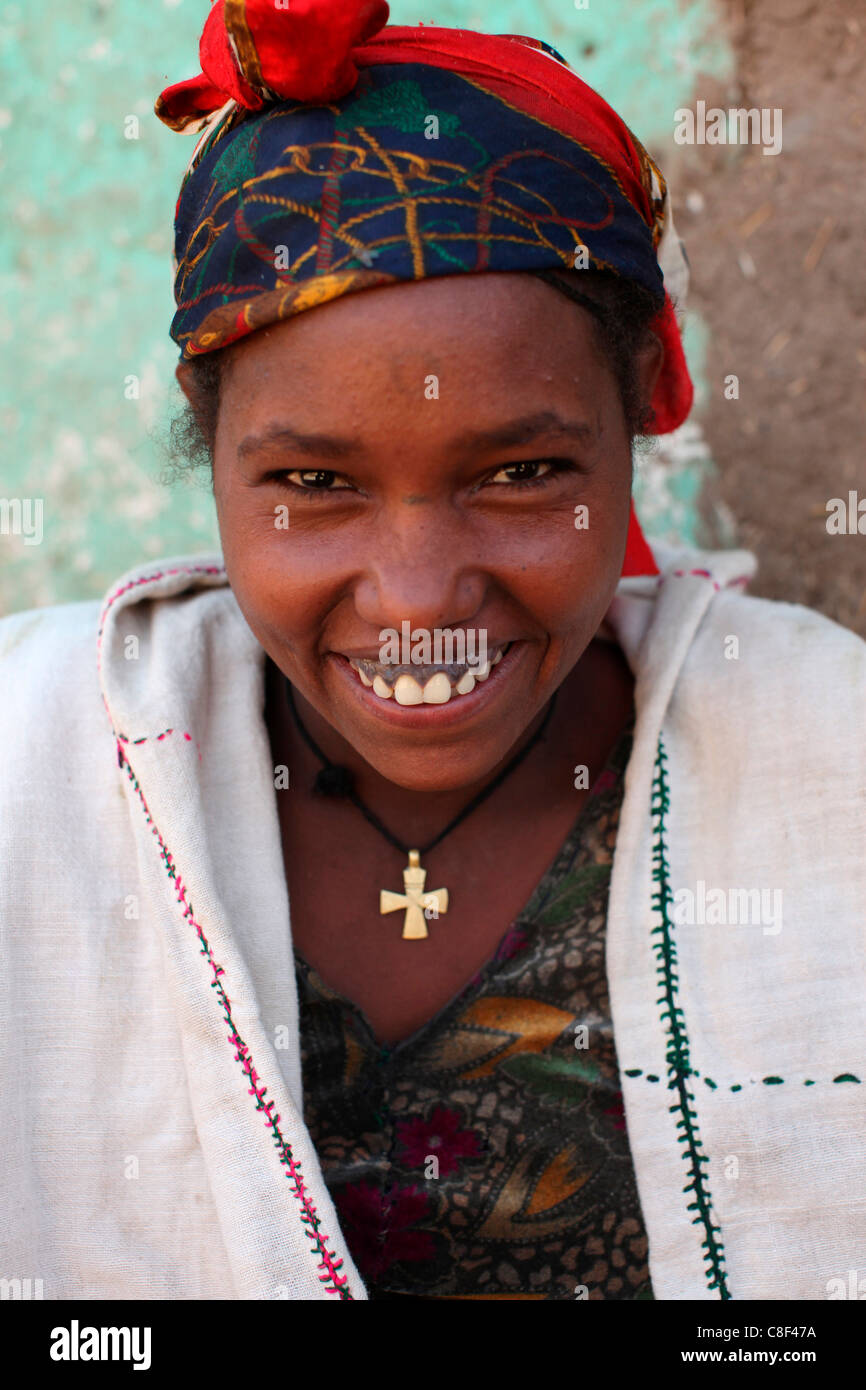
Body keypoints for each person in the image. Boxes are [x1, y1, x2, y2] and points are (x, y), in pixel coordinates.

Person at [1, 1, 863, 1302]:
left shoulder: (824, 754)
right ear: (211, 447)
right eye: (313, 481)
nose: (416, 596)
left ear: (636, 419)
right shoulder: (35, 760)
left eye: (520, 473)